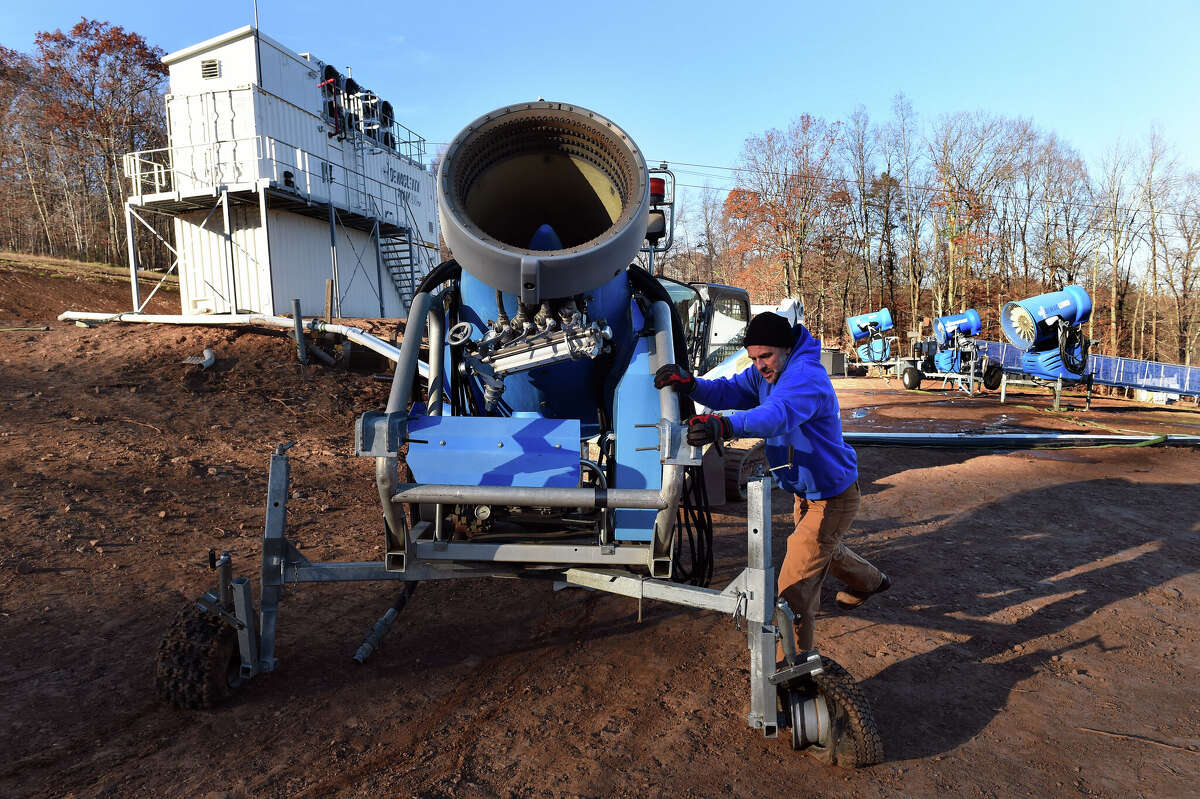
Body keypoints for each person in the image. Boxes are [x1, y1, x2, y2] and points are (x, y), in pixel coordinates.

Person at [654, 311, 889, 657]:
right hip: (805, 493)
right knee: (823, 551)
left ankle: (789, 674)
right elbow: (730, 389)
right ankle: (872, 582)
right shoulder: (767, 373)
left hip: (833, 497)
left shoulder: (805, 377)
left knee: (793, 592)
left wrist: (726, 426)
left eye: (766, 356)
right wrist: (692, 384)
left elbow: (776, 415)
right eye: (754, 358)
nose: (760, 365)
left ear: (787, 347)